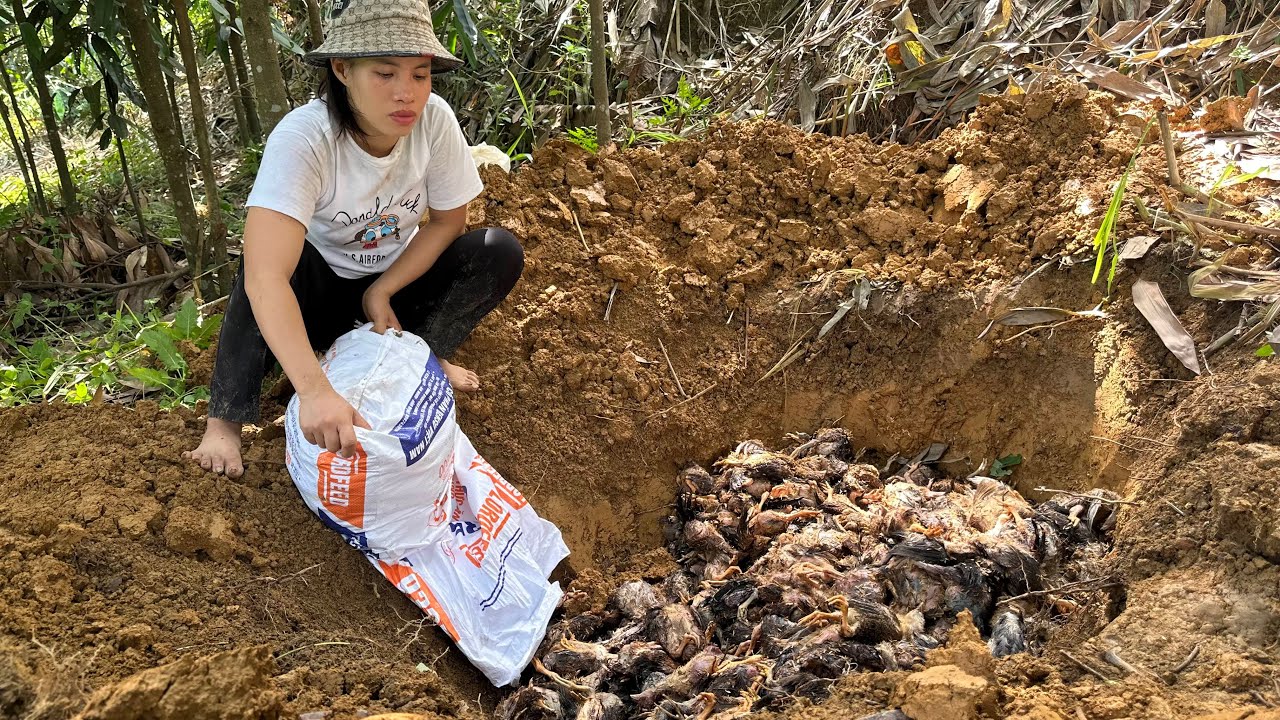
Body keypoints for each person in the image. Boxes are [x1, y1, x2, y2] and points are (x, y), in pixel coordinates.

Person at [185, 0, 522, 478]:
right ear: (343, 70)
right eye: (385, 74)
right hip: (316, 294)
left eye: (420, 75)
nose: (406, 94)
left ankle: (420, 354)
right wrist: (314, 391)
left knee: (495, 251)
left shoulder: (435, 122)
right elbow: (266, 279)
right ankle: (225, 421)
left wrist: (381, 289)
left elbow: (448, 222)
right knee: (263, 262)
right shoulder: (305, 138)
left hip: (390, 294)